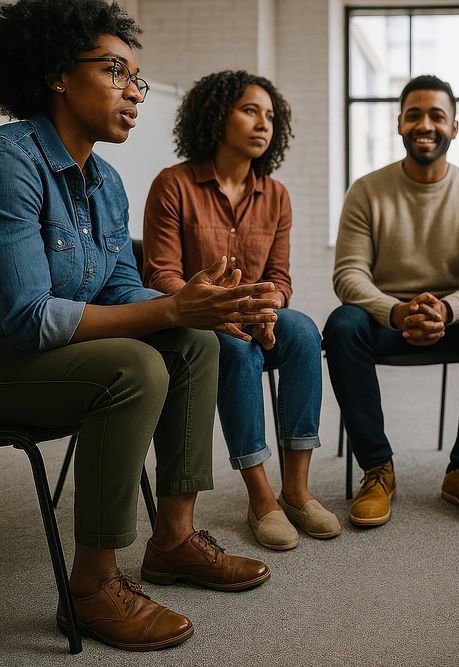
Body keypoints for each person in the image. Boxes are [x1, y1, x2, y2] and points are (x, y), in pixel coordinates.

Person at [0, 0, 277, 651]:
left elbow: (127, 293)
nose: (134, 94)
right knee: (137, 364)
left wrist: (212, 307)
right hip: (8, 360)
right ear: (58, 74)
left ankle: (174, 538)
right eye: (116, 72)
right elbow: (26, 317)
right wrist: (171, 307)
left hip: (47, 360)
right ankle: (93, 585)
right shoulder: (12, 162)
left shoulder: (109, 185)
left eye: (138, 81)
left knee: (192, 342)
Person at [143, 70, 339, 551]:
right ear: (216, 116)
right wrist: (220, 308)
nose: (263, 124)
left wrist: (268, 307)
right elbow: (160, 275)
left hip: (257, 319)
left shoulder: (276, 196)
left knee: (302, 330)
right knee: (232, 344)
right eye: (250, 110)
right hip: (198, 325)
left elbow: (280, 278)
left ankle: (296, 489)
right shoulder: (173, 185)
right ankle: (261, 497)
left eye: (270, 116)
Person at [323, 75, 459, 527]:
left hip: (449, 318)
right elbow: (348, 273)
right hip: (385, 319)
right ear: (399, 125)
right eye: (414, 115)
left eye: (436, 115)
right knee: (342, 324)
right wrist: (393, 310)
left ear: (454, 127)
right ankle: (377, 469)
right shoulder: (366, 190)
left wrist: (446, 311)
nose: (425, 124)